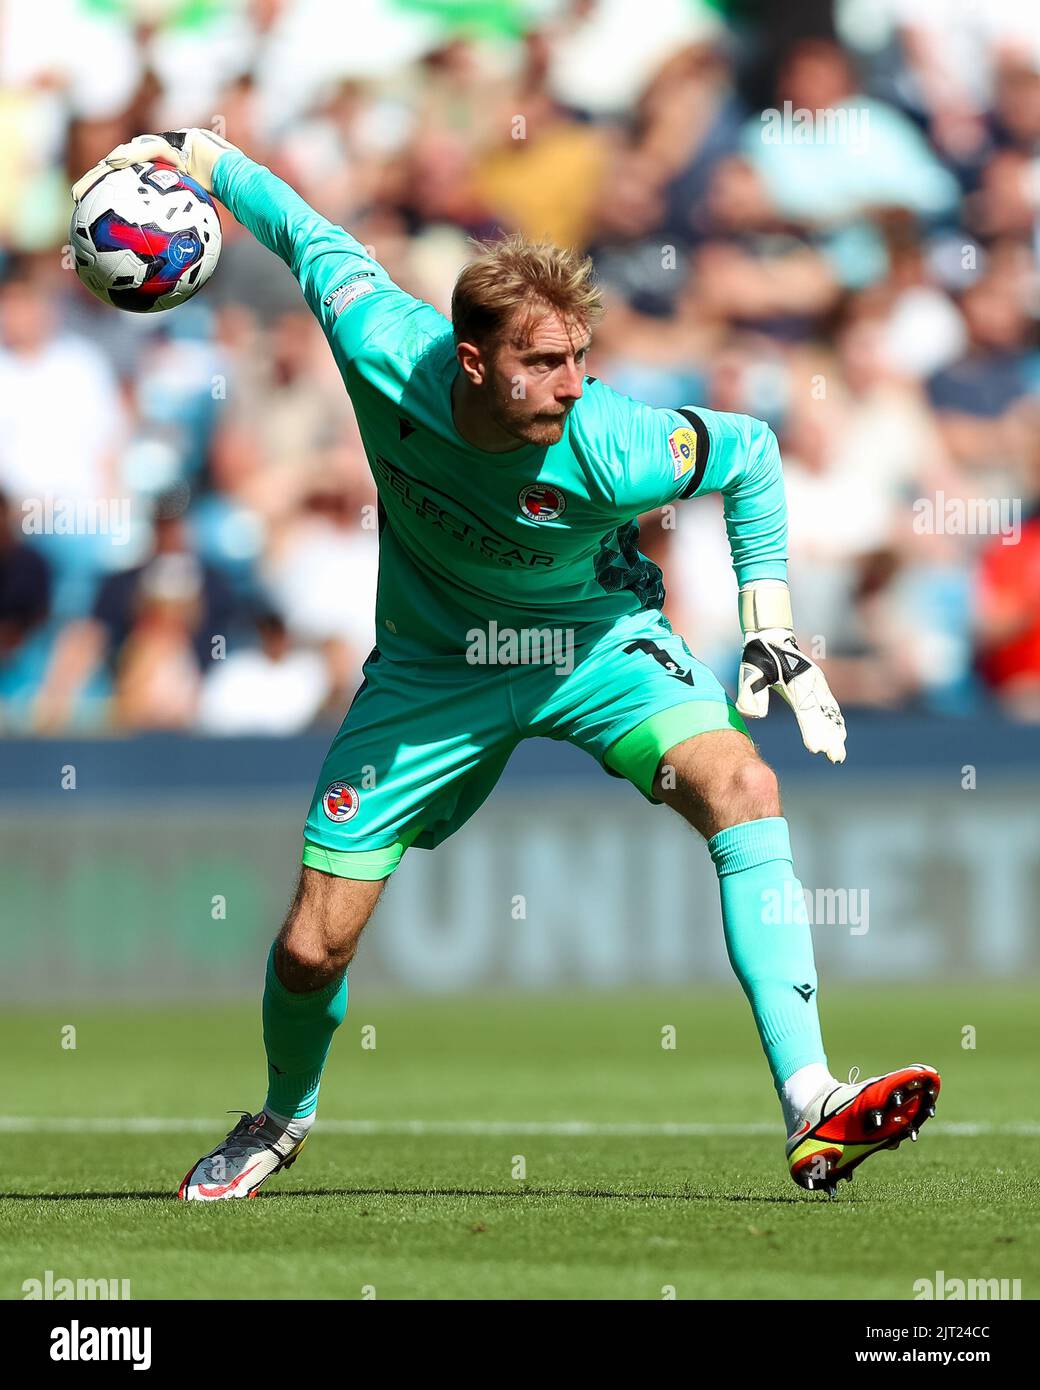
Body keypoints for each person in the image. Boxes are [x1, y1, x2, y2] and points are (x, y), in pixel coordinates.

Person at [73, 129, 941, 1201]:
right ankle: (282, 1114)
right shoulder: (382, 341)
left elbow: (751, 452)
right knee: (310, 947)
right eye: (544, 362)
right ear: (473, 361)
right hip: (434, 670)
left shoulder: (616, 439)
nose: (573, 385)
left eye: (579, 356)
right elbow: (303, 232)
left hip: (594, 643)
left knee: (740, 783)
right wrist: (198, 152)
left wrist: (769, 615)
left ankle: (811, 1102)